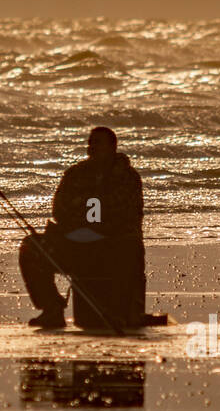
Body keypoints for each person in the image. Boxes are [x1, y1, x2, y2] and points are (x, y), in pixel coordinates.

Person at [18, 125, 145, 329]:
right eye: (90, 142)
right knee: (32, 246)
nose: (93, 147)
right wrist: (79, 225)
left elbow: (124, 214)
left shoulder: (128, 177)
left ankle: (120, 312)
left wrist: (91, 218)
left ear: (113, 147)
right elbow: (59, 210)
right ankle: (51, 309)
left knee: (128, 245)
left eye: (98, 142)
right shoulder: (75, 174)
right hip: (76, 244)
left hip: (113, 246)